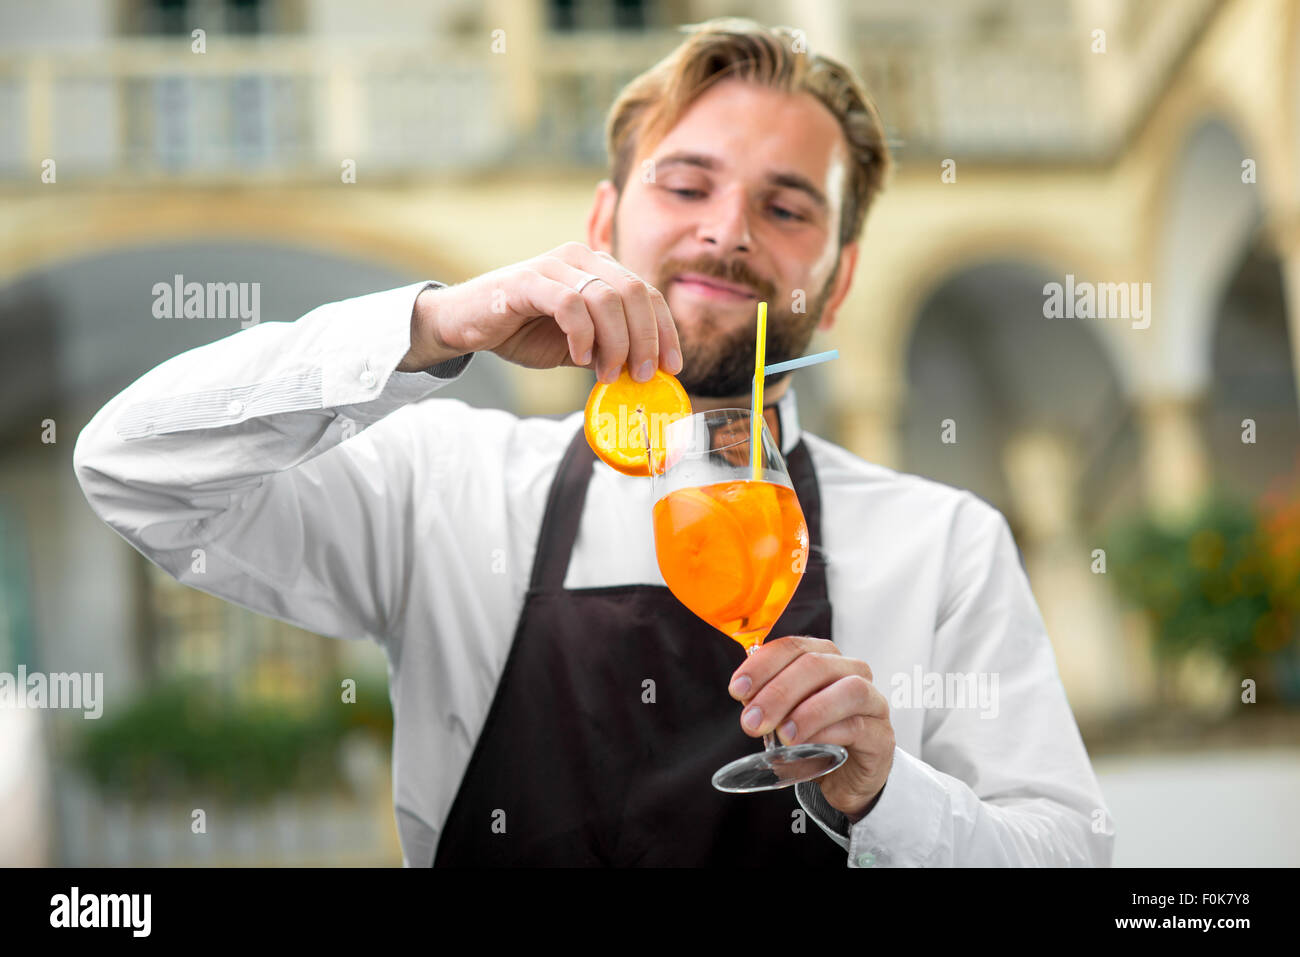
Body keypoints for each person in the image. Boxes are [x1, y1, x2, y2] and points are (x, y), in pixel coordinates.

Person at [73, 18, 1114, 867]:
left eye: (787, 205)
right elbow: (132, 467)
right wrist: (433, 326)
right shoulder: (447, 485)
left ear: (837, 282)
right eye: (686, 184)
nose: (726, 231)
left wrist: (889, 792)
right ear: (605, 221)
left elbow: (1067, 856)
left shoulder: (943, 541)